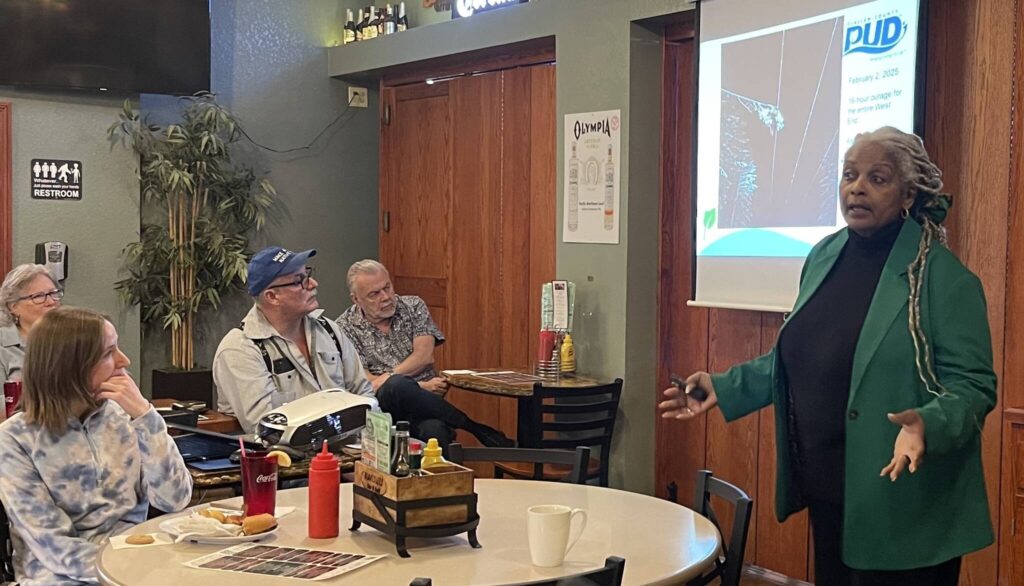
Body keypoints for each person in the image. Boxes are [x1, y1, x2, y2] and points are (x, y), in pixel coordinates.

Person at [659, 127, 996, 586]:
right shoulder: (824, 255)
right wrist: (725, 385)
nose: (857, 188)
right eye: (849, 175)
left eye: (877, 178)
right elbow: (802, 353)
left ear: (908, 194)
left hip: (906, 505)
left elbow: (974, 386)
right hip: (831, 491)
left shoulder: (942, 277)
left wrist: (928, 423)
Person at [213, 246, 513, 449]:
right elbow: (268, 428)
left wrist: (375, 446)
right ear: (272, 297)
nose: (313, 284)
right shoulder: (241, 349)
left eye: (309, 275)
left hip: (353, 448)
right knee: (399, 389)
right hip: (290, 467)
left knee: (429, 436)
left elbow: (365, 393)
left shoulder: (328, 331)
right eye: (299, 281)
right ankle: (479, 431)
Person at [0, 307, 192, 585]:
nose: (124, 360)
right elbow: (56, 549)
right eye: (108, 353)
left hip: (139, 560)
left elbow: (174, 500)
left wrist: (146, 417)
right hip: (61, 577)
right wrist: (134, 571)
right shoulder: (14, 439)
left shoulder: (126, 418)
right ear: (70, 366)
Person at [337, 259, 448, 396]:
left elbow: (424, 357)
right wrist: (419, 387)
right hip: (383, 402)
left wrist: (388, 378)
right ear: (356, 299)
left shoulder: (413, 306)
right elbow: (365, 382)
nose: (385, 297)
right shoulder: (344, 328)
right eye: (374, 294)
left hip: (426, 397)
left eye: (387, 288)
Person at [0, 264, 63, 381]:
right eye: (38, 296)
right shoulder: (3, 345)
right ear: (13, 307)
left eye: (53, 293)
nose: (51, 302)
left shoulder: (72, 336)